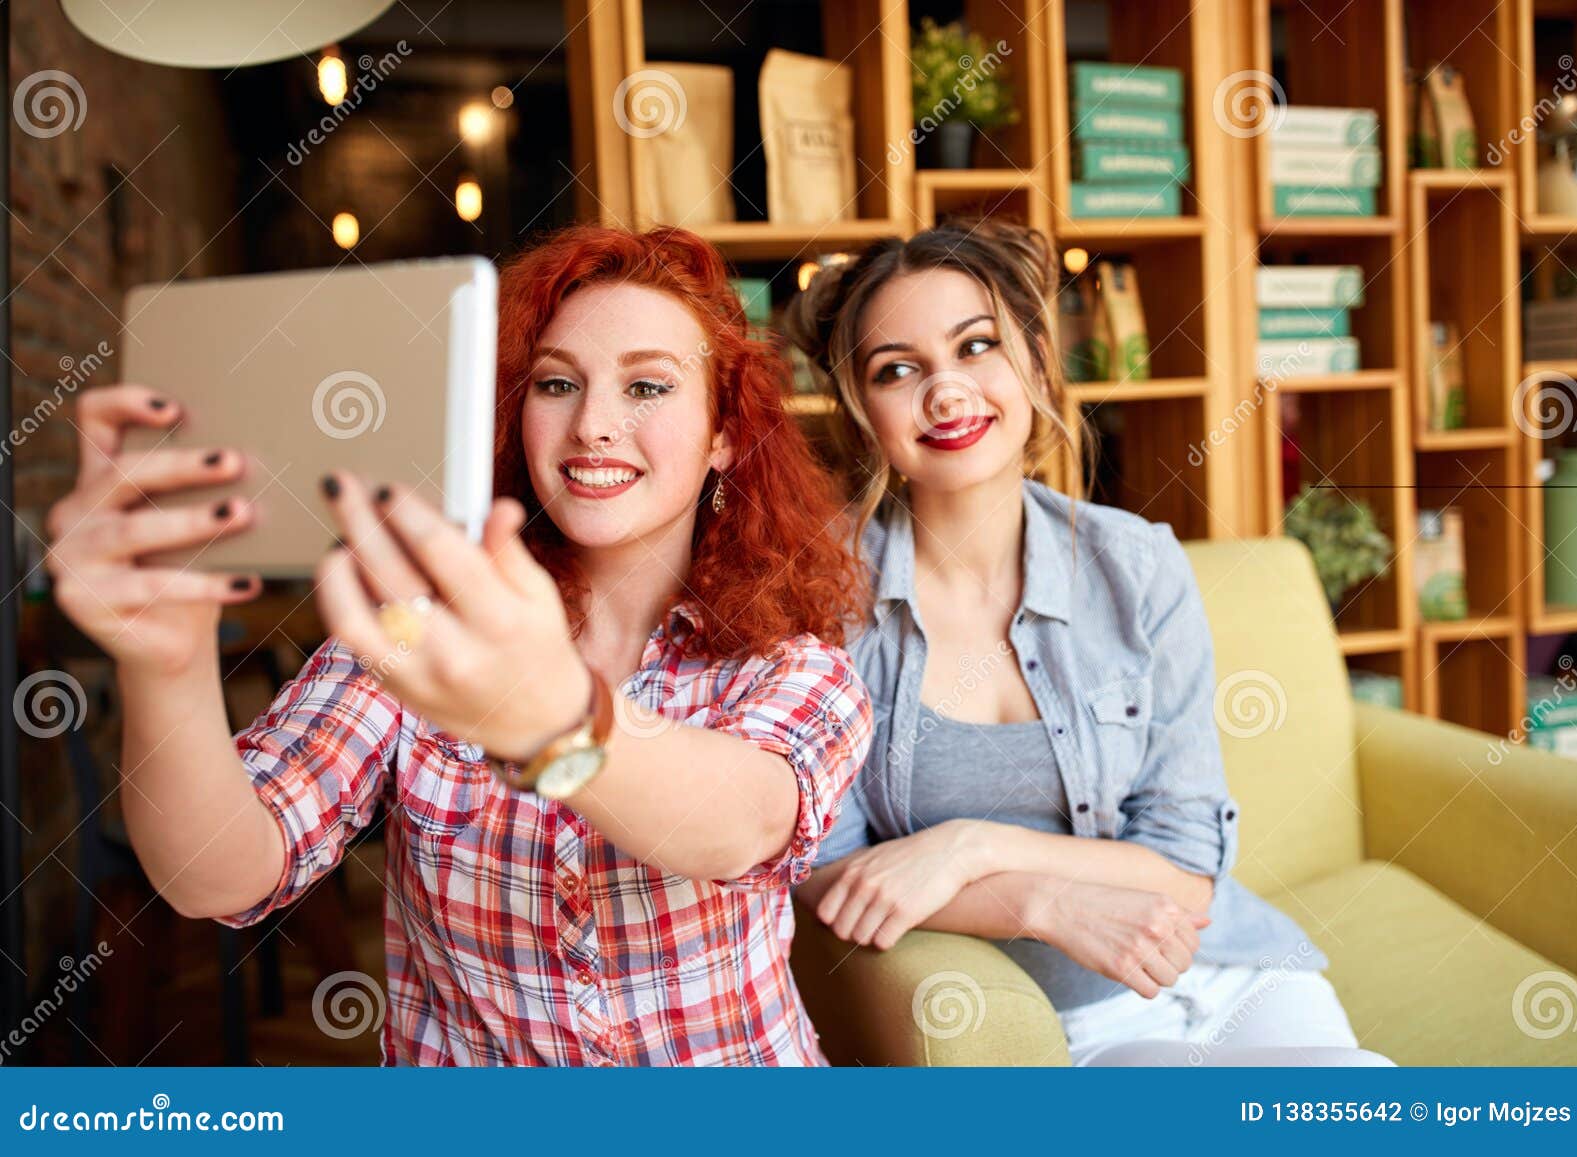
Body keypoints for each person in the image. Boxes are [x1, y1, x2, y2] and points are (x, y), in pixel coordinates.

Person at [44, 224, 872, 1066]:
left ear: (724, 434)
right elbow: (217, 872)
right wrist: (167, 663)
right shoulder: (415, 626)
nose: (593, 424)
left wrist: (549, 718)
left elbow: (740, 826)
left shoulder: (793, 661)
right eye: (557, 383)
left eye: (648, 387)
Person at [785, 218, 1393, 1067]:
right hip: (1071, 1024)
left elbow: (1188, 871)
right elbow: (830, 874)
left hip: (1232, 969)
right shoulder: (820, 599)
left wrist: (972, 845)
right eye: (898, 369)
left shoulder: (1139, 564)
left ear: (1035, 358)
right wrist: (1040, 903)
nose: (948, 392)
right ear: (861, 407)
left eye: (977, 346)